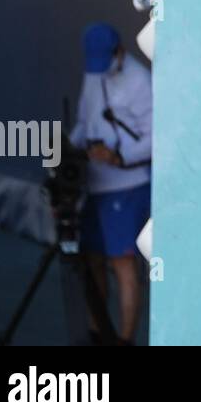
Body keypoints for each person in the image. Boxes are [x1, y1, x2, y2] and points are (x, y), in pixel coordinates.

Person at [69, 22, 152, 345]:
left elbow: (155, 136)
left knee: (122, 259)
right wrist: (67, 149)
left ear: (119, 52)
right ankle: (97, 331)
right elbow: (84, 121)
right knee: (92, 257)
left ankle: (125, 339)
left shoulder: (140, 81)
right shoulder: (94, 75)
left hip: (128, 184)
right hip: (96, 183)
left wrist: (119, 156)